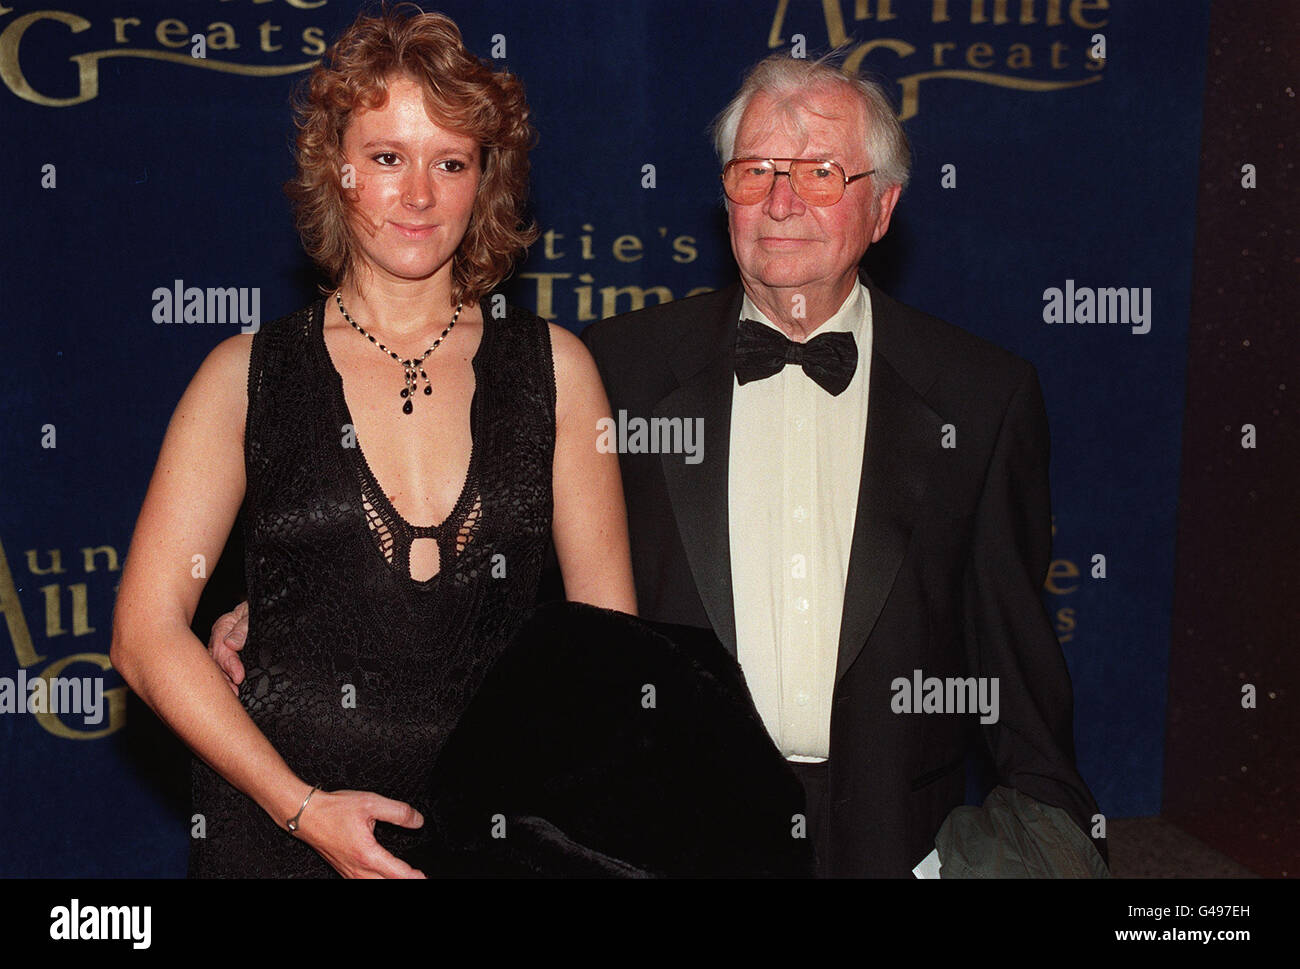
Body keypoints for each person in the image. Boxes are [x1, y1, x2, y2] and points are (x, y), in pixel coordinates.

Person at [110, 5, 635, 879]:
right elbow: (143, 634)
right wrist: (302, 807)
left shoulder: (559, 373)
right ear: (337, 169)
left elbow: (608, 655)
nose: (419, 194)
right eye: (388, 157)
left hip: (493, 842)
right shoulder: (243, 375)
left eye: (450, 162)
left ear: (485, 181)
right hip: (273, 836)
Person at [578, 53, 1107, 877]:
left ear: (884, 207)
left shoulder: (982, 397)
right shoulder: (612, 374)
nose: (782, 203)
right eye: (756, 170)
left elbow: (1021, 689)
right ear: (725, 193)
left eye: (822, 172)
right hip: (669, 837)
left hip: (899, 845)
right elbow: (562, 650)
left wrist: (1031, 847)